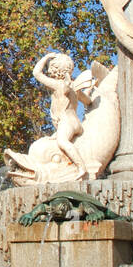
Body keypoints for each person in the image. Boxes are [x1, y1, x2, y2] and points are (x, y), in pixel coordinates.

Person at [32, 51, 91, 180]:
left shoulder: (58, 84)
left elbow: (36, 73)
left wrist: (46, 57)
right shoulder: (74, 86)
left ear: (54, 69)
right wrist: (88, 90)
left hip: (66, 122)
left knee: (63, 142)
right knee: (54, 140)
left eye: (50, 67)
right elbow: (88, 101)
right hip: (75, 122)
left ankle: (81, 167)